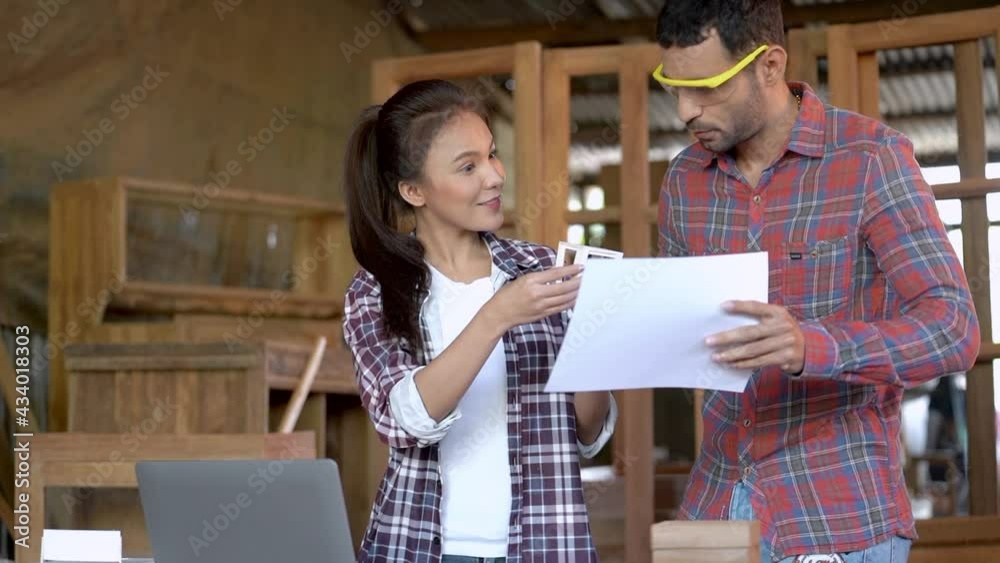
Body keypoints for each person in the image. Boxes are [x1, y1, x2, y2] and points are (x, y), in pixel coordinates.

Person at [652, 1, 980, 562]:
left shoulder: (870, 159)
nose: (685, 110)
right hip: (714, 505)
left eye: (705, 88)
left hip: (836, 514)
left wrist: (812, 346)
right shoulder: (684, 181)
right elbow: (682, 336)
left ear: (770, 66)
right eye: (673, 87)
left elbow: (954, 329)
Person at [341, 79, 617, 563]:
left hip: (546, 547)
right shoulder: (376, 289)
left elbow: (587, 433)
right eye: (468, 166)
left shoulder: (541, 268)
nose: (493, 176)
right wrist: (497, 316)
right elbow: (402, 419)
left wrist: (589, 344)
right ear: (413, 190)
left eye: (491, 155)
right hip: (420, 548)